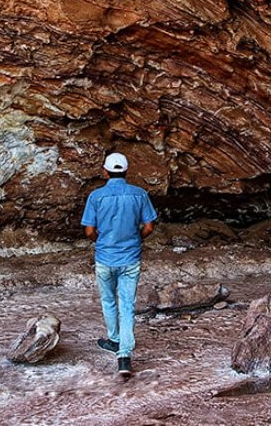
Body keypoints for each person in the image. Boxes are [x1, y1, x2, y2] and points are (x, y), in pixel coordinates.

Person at [81, 152, 158, 375]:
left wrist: (102, 241)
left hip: (105, 257)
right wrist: (136, 239)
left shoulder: (96, 196)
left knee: (108, 300)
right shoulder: (139, 194)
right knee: (127, 305)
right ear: (126, 171)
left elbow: (89, 231)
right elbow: (149, 226)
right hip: (130, 257)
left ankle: (114, 340)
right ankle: (124, 355)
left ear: (105, 172)